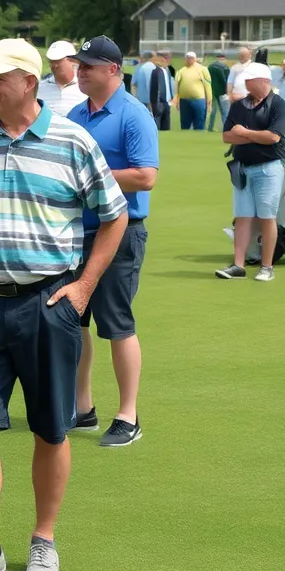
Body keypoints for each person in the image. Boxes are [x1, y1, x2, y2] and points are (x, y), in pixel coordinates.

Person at [0, 38, 128, 571]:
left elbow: (114, 215)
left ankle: (44, 539)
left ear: (27, 81)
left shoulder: (72, 140)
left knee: (50, 429)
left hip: (47, 303)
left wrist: (84, 287)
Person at [68, 36, 159, 448]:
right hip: (77, 231)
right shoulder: (76, 113)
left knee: (116, 322)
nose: (81, 71)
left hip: (120, 230)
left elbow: (145, 176)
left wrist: (91, 176)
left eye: (89, 66)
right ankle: (82, 407)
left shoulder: (133, 114)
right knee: (74, 320)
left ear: (113, 70)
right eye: (80, 65)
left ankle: (128, 415)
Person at [216, 62, 285, 282]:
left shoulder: (278, 104)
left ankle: (267, 267)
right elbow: (227, 136)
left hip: (269, 169)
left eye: (250, 80)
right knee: (243, 218)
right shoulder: (239, 106)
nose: (247, 84)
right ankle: (238, 265)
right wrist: (257, 135)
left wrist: (245, 133)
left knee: (267, 218)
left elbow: (274, 137)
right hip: (243, 169)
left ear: (264, 81)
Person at [40, 41, 86, 117]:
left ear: (72, 61)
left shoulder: (86, 86)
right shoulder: (40, 88)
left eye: (58, 61)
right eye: (51, 62)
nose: (54, 66)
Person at [173, 51, 212, 131]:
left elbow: (208, 86)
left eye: (191, 58)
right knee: (185, 124)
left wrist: (209, 99)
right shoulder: (181, 71)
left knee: (199, 123)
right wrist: (176, 100)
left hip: (199, 100)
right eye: (187, 58)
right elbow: (177, 86)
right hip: (184, 101)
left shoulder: (202, 69)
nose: (189, 60)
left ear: (195, 59)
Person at [148, 52, 174, 131]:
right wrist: (155, 103)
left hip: (167, 102)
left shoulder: (167, 71)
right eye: (166, 58)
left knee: (166, 125)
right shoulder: (156, 71)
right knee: (158, 125)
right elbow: (155, 89)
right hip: (159, 102)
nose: (167, 60)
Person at [206, 51, 231, 132]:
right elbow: (227, 80)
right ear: (224, 58)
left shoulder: (210, 67)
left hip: (211, 92)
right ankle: (226, 128)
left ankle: (210, 127)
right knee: (225, 111)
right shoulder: (225, 67)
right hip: (222, 92)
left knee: (212, 111)